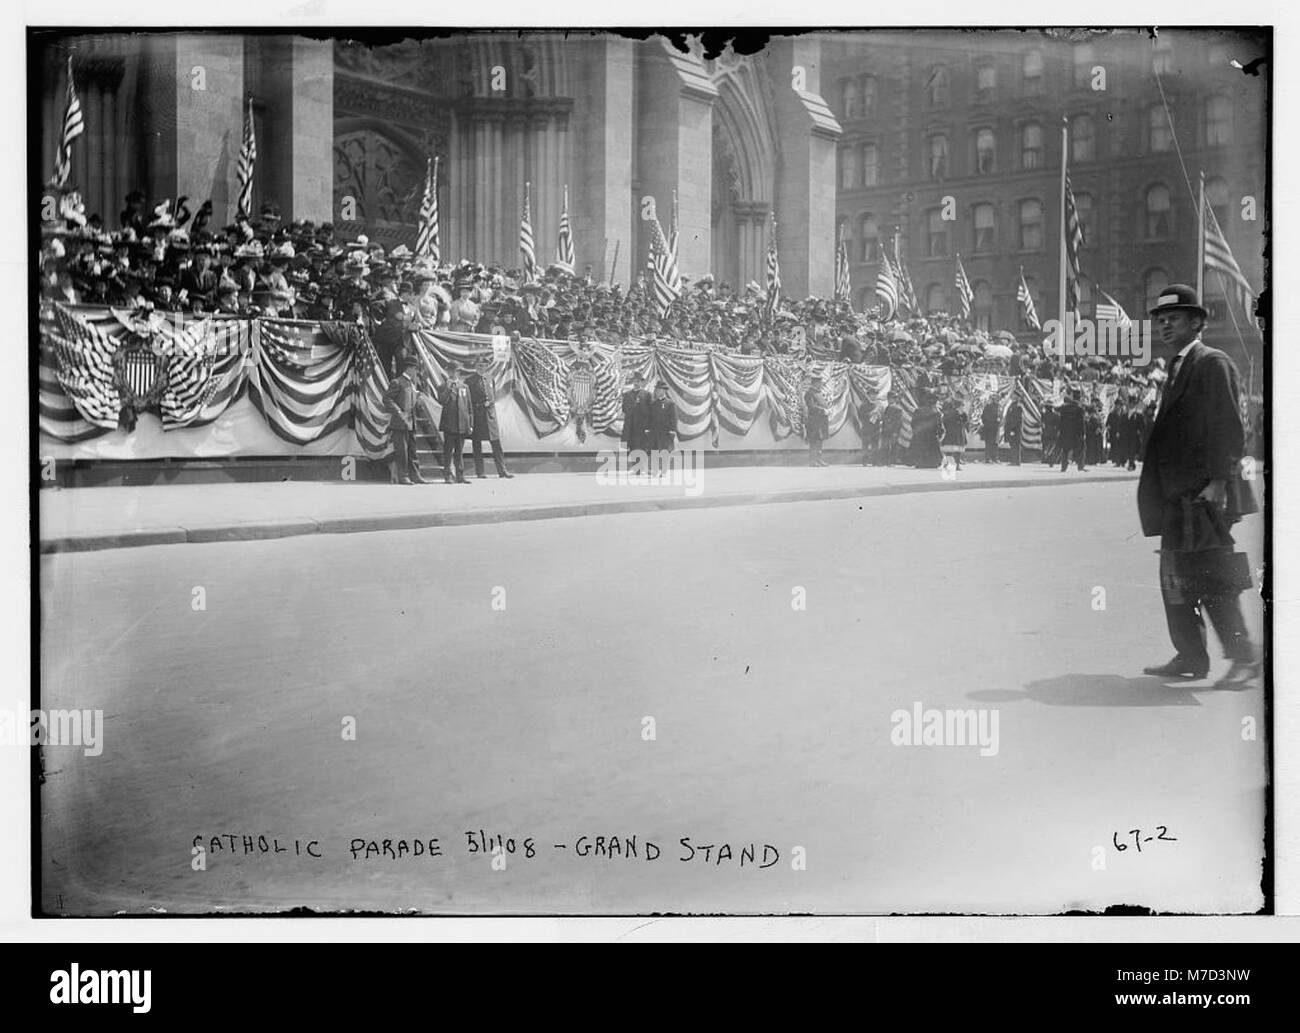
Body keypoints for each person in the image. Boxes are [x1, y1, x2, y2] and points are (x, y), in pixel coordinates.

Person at [1137, 284, 1259, 684]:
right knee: (1174, 577)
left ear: (1197, 322)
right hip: (1178, 495)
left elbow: (1228, 425)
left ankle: (1244, 657)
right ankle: (1190, 656)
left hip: (1203, 494)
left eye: (1174, 318)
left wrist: (1220, 483)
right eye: (1161, 320)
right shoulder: (1178, 365)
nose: (1165, 325)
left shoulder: (1212, 362)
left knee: (1212, 578)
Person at [381, 357, 429, 485]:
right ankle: (403, 476)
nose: (416, 372)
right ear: (409, 368)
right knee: (402, 451)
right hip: (400, 423)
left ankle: (415, 475)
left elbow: (410, 403)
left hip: (411, 423)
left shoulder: (412, 384)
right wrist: (398, 412)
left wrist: (417, 398)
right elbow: (386, 399)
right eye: (415, 369)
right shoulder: (397, 382)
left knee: (412, 451)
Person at [466, 354, 514, 479]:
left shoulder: (490, 378)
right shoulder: (470, 381)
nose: (482, 368)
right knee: (477, 445)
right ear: (475, 366)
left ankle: (502, 471)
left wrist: (490, 405)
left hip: (490, 416)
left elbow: (493, 395)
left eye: (484, 366)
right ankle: (480, 472)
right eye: (479, 366)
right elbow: (468, 401)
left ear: (487, 367)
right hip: (478, 416)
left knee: (496, 444)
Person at [438, 361, 474, 484]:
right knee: (448, 451)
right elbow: (442, 401)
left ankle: (460, 475)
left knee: (459, 451)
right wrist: (448, 387)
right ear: (447, 372)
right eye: (450, 371)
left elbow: (469, 407)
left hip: (462, 424)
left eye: (455, 371)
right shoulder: (443, 386)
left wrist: (470, 424)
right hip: (449, 424)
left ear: (458, 372)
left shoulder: (464, 387)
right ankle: (447, 475)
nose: (453, 373)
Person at [620, 371, 653, 466]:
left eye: (638, 381)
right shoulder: (626, 395)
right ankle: (635, 467)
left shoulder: (647, 395)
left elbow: (650, 412)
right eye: (634, 381)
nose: (636, 383)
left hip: (642, 426)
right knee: (632, 447)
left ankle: (642, 467)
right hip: (630, 426)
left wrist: (648, 427)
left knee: (642, 447)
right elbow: (624, 409)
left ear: (642, 382)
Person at [909, 391, 943, 469]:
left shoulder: (918, 411)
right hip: (931, 437)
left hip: (920, 436)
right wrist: (940, 434)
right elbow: (939, 425)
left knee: (921, 450)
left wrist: (916, 432)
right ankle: (932, 463)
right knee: (932, 451)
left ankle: (920, 463)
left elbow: (913, 423)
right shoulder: (936, 413)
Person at [1056, 390, 1086, 471]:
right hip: (1076, 434)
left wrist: (1059, 430)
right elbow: (1081, 423)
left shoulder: (1064, 408)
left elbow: (1061, 420)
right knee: (1081, 449)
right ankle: (1080, 466)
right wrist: (1083, 433)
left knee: (1065, 450)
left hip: (1066, 433)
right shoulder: (1080, 409)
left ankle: (1063, 467)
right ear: (1079, 399)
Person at [804, 372, 830, 467]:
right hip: (813, 421)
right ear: (814, 383)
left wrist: (826, 410)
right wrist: (822, 410)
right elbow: (811, 407)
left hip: (821, 421)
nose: (821, 384)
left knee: (819, 441)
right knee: (814, 442)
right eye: (819, 382)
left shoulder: (818, 393)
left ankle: (818, 459)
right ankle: (812, 461)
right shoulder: (809, 393)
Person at [648, 380, 679, 454]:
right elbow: (650, 419)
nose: (656, 392)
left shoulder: (670, 404)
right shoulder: (653, 404)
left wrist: (671, 433)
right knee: (654, 458)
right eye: (656, 390)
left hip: (665, 436)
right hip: (654, 436)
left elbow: (674, 420)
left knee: (664, 458)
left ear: (664, 390)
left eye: (659, 390)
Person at [940, 399, 968, 471]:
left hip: (949, 433)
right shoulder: (960, 414)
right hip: (958, 433)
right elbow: (965, 422)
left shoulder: (948, 413)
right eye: (962, 406)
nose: (963, 407)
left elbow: (944, 421)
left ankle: (947, 464)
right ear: (959, 406)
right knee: (957, 451)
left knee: (949, 450)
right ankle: (957, 465)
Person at [880, 394, 904, 466]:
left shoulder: (898, 409)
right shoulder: (887, 408)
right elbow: (885, 419)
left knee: (892, 446)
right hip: (886, 430)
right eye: (889, 398)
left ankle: (891, 461)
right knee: (885, 446)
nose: (889, 400)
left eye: (892, 398)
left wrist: (895, 431)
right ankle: (885, 461)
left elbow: (899, 421)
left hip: (892, 431)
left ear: (895, 399)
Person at [1003, 397, 1024, 466]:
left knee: (1015, 446)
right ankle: (1016, 461)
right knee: (1014, 446)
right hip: (1014, 430)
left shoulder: (1017, 408)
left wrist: (1013, 429)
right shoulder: (1014, 407)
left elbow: (1016, 420)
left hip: (1015, 430)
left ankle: (1015, 461)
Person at [980, 396, 1001, 464]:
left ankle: (993, 458)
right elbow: (983, 417)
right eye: (994, 399)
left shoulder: (998, 406)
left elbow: (1000, 416)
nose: (995, 400)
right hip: (990, 428)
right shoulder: (988, 407)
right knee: (989, 443)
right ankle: (988, 458)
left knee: (994, 443)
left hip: (994, 428)